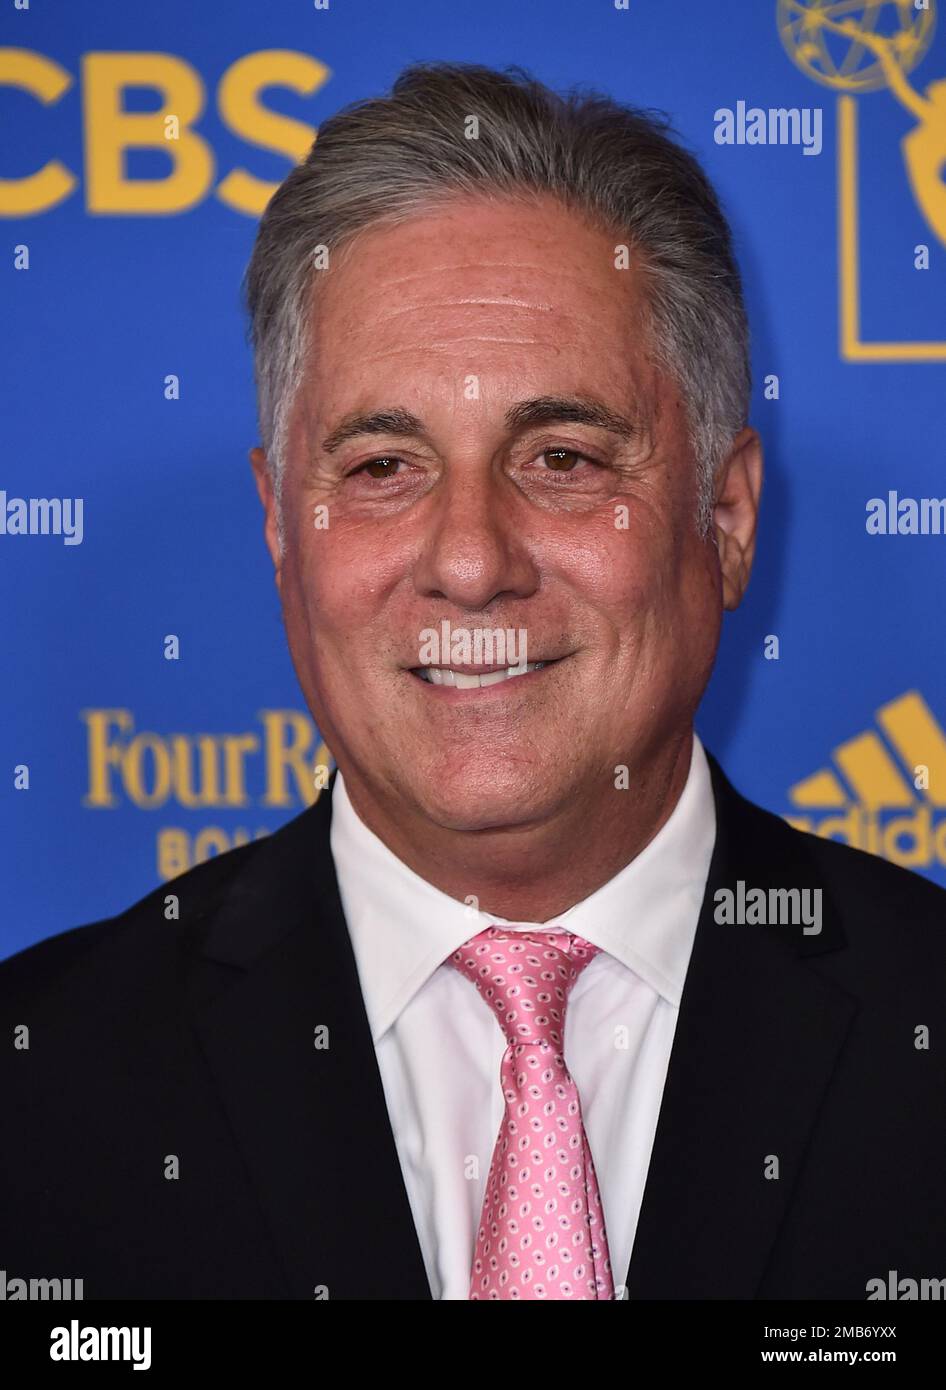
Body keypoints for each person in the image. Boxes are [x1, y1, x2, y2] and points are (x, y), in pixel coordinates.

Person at [2, 62, 944, 1302]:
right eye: (385, 464)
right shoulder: (38, 1088)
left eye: (560, 456)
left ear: (723, 518)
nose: (468, 559)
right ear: (282, 531)